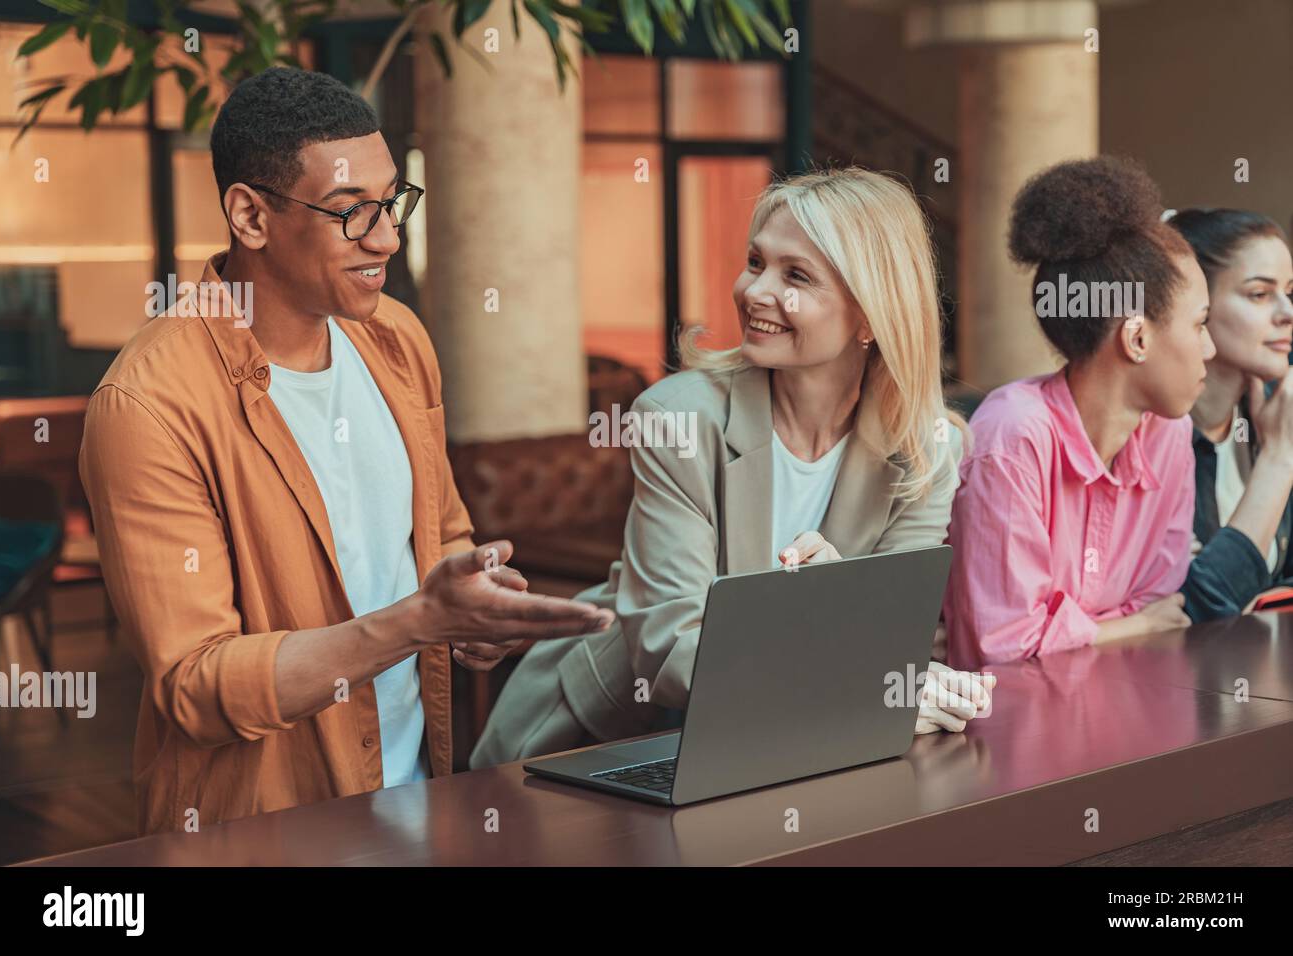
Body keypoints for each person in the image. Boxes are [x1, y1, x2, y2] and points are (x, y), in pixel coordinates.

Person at [78, 68, 613, 834]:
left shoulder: (395, 338)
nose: (388, 236)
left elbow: (440, 535)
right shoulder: (148, 405)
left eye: (391, 202)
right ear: (250, 217)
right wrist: (418, 621)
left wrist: (477, 610)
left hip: (418, 797)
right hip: (260, 829)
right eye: (349, 212)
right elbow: (197, 686)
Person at [473, 167, 994, 769]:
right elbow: (673, 650)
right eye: (755, 262)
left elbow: (891, 641)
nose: (754, 291)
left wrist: (888, 677)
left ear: (873, 316)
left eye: (796, 275)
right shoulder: (676, 419)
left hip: (799, 742)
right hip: (613, 741)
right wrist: (854, 672)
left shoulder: (927, 445)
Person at [943, 157, 1214, 670]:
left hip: (1134, 708)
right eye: (1199, 325)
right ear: (1137, 338)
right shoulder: (1013, 435)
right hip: (1006, 731)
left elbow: (1163, 606)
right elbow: (1003, 647)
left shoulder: (1171, 432)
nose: (1211, 348)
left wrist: (1083, 629)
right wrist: (1127, 626)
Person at [1167, 209, 1293, 619]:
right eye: (1259, 294)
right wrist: (1279, 461)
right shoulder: (1153, 439)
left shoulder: (1273, 414)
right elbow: (1196, 614)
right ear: (1197, 305)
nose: (1286, 312)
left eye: (1289, 291)